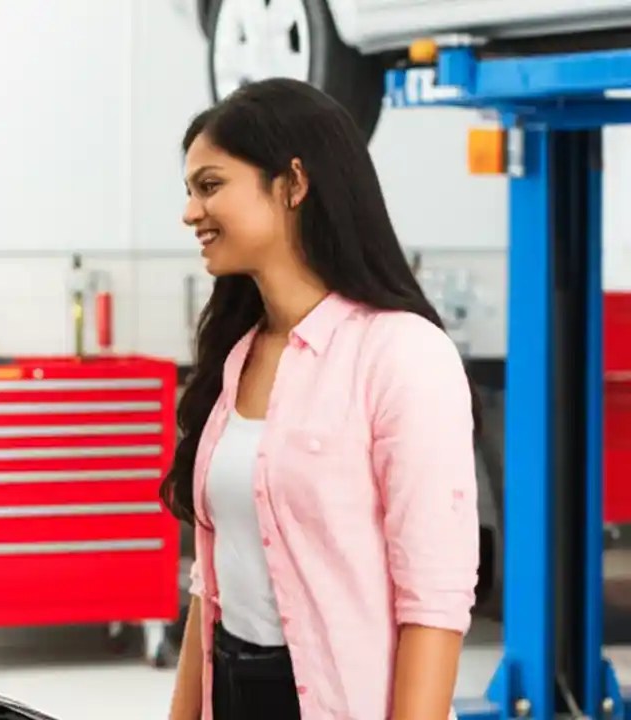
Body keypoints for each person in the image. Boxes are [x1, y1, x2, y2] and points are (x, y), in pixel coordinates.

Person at [163, 78, 479, 720]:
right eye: (191, 191)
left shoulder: (401, 354)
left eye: (211, 185)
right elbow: (212, 578)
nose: (191, 213)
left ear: (293, 184)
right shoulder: (238, 353)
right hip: (230, 690)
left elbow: (433, 601)